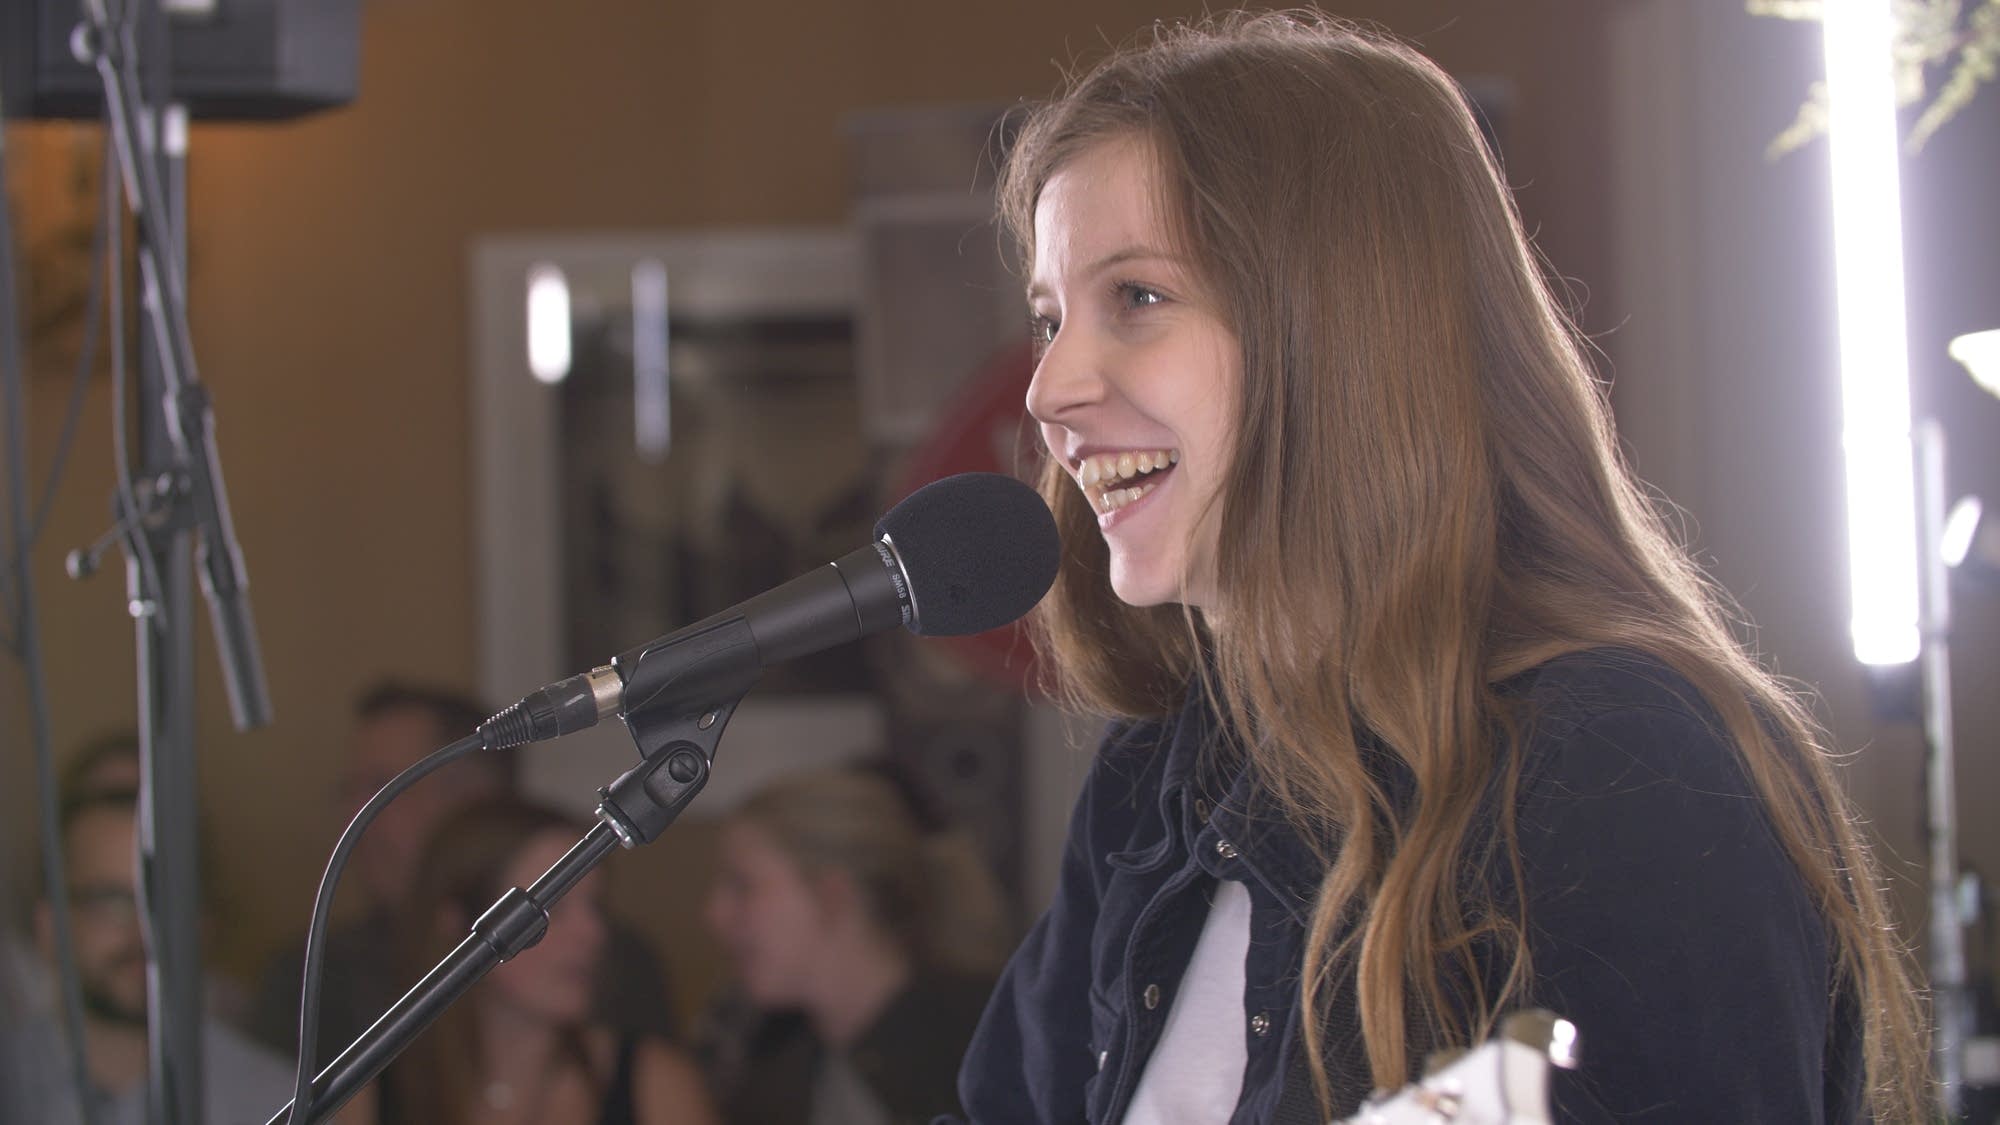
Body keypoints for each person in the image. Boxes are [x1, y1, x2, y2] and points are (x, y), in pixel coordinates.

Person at [957, 12, 1931, 1125]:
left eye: (1136, 298)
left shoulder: (1618, 769)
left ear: (1347, 329)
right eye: (1048, 319)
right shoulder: (1154, 775)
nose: (1047, 391)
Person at [250, 679, 677, 1060]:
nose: (354, 817)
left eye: (380, 789)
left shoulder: (612, 967)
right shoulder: (314, 980)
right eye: (350, 792)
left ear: (474, 800)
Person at [378, 797, 717, 1125]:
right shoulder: (376, 1096)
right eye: (552, 908)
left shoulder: (654, 1084)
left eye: (594, 906)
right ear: (458, 925)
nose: (592, 932)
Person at [700, 765, 1007, 1125]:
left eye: (743, 885)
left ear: (832, 894)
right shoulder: (761, 1066)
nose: (715, 915)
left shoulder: (990, 1042)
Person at [25, 788, 297, 1124]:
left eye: (165, 903)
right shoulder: (12, 1086)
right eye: (113, 903)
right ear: (49, 925)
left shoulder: (281, 1105)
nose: (142, 932)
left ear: (205, 922)